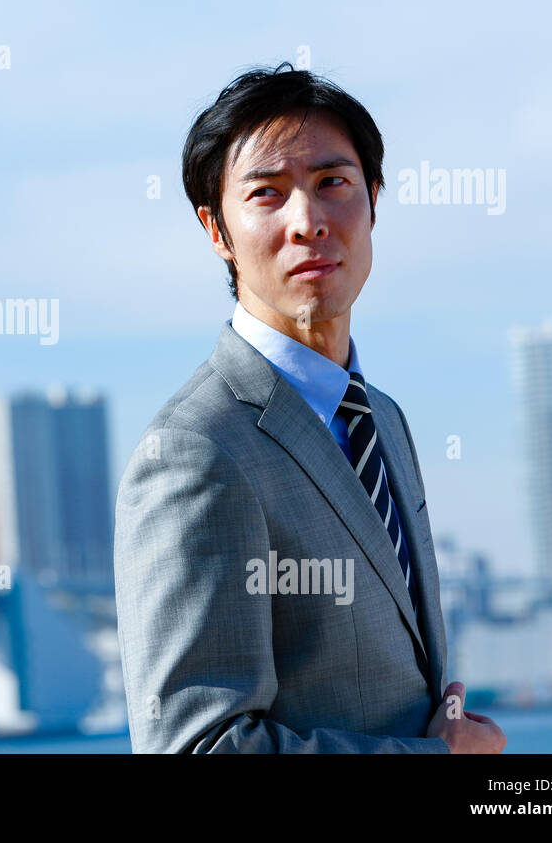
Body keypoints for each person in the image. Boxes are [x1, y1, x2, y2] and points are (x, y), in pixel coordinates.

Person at [114, 63, 506, 753]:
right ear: (216, 231)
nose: (308, 222)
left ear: (374, 200)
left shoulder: (382, 416)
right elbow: (196, 746)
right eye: (266, 194)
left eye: (333, 184)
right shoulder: (196, 451)